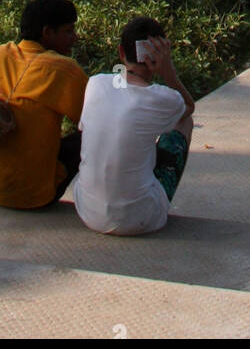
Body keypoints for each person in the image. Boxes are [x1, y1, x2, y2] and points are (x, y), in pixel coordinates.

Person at [73, 17, 195, 236]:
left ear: (121, 52)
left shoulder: (95, 83)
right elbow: (188, 107)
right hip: (141, 218)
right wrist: (169, 73)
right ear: (162, 55)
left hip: (88, 212)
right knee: (184, 121)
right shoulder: (164, 98)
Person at [0, 0, 87, 209]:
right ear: (47, 32)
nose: (75, 37)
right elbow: (94, 122)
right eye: (68, 31)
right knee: (97, 136)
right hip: (34, 196)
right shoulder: (64, 70)